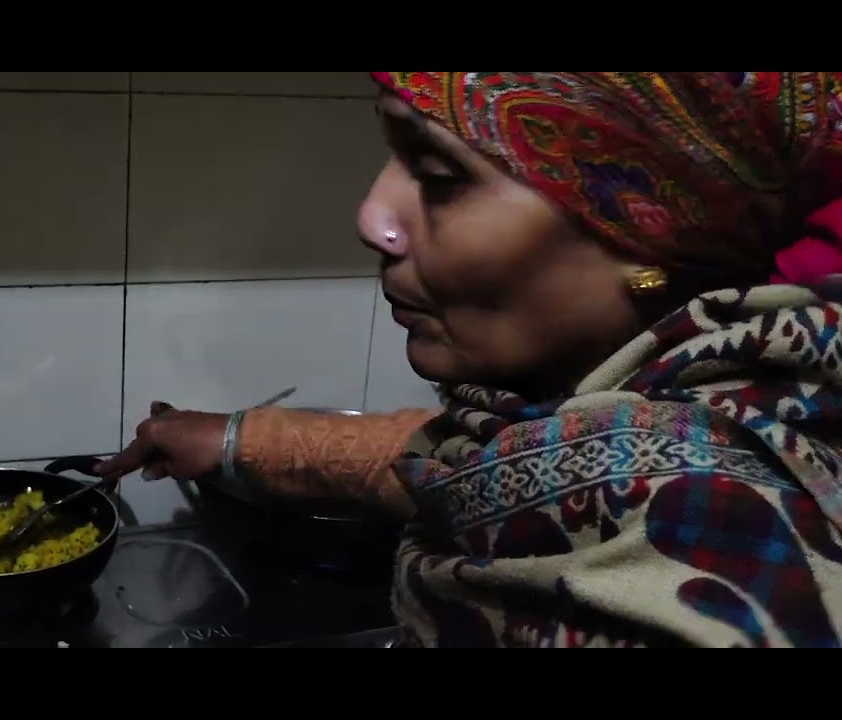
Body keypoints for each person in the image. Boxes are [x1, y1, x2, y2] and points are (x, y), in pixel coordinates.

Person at [96, 72, 842, 648]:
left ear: (649, 235)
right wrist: (237, 439)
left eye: (442, 175)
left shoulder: (708, 556)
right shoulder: (693, 409)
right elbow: (496, 466)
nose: (371, 219)